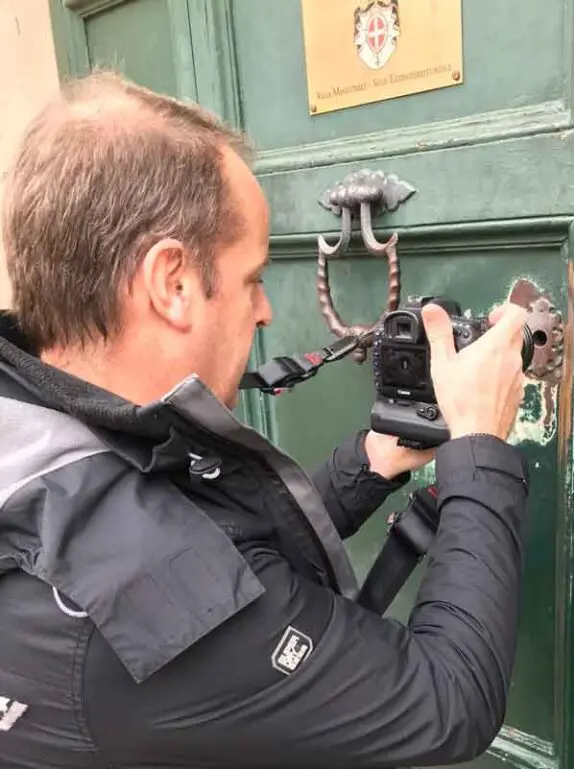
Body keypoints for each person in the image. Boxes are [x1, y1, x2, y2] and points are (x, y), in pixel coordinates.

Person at [0, 71, 530, 769]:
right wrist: (481, 445)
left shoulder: (38, 410)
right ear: (174, 283)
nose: (266, 311)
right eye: (252, 277)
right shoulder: (143, 615)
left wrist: (367, 466)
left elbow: (206, 542)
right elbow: (447, 700)